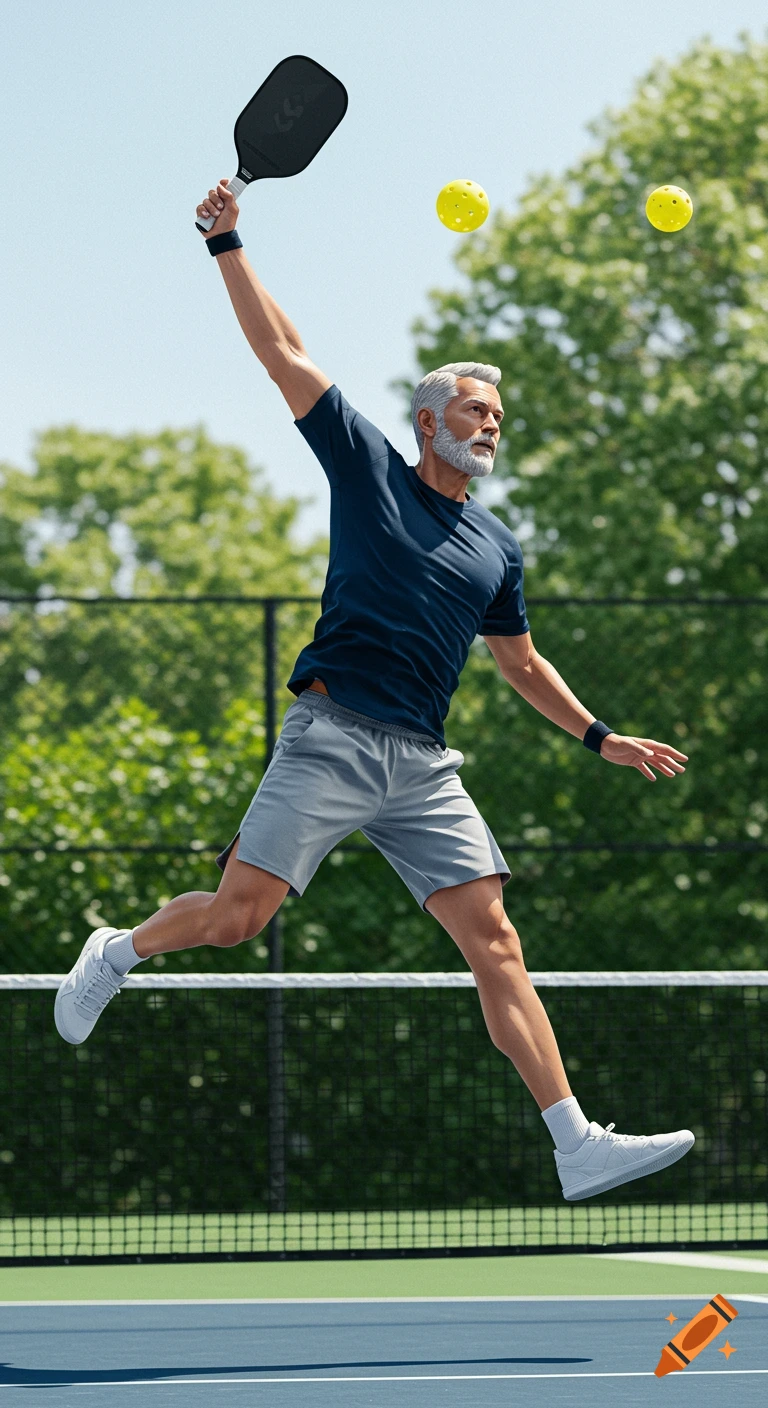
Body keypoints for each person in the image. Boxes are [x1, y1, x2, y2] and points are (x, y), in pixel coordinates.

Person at [54, 178, 694, 1202]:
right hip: (332, 735)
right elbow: (285, 355)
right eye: (476, 410)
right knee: (235, 919)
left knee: (497, 938)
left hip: (423, 765)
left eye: (499, 416)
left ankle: (574, 1140)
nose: (491, 425)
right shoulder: (368, 468)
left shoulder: (497, 546)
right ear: (427, 419)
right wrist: (228, 243)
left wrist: (601, 737)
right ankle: (118, 951)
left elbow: (520, 663)